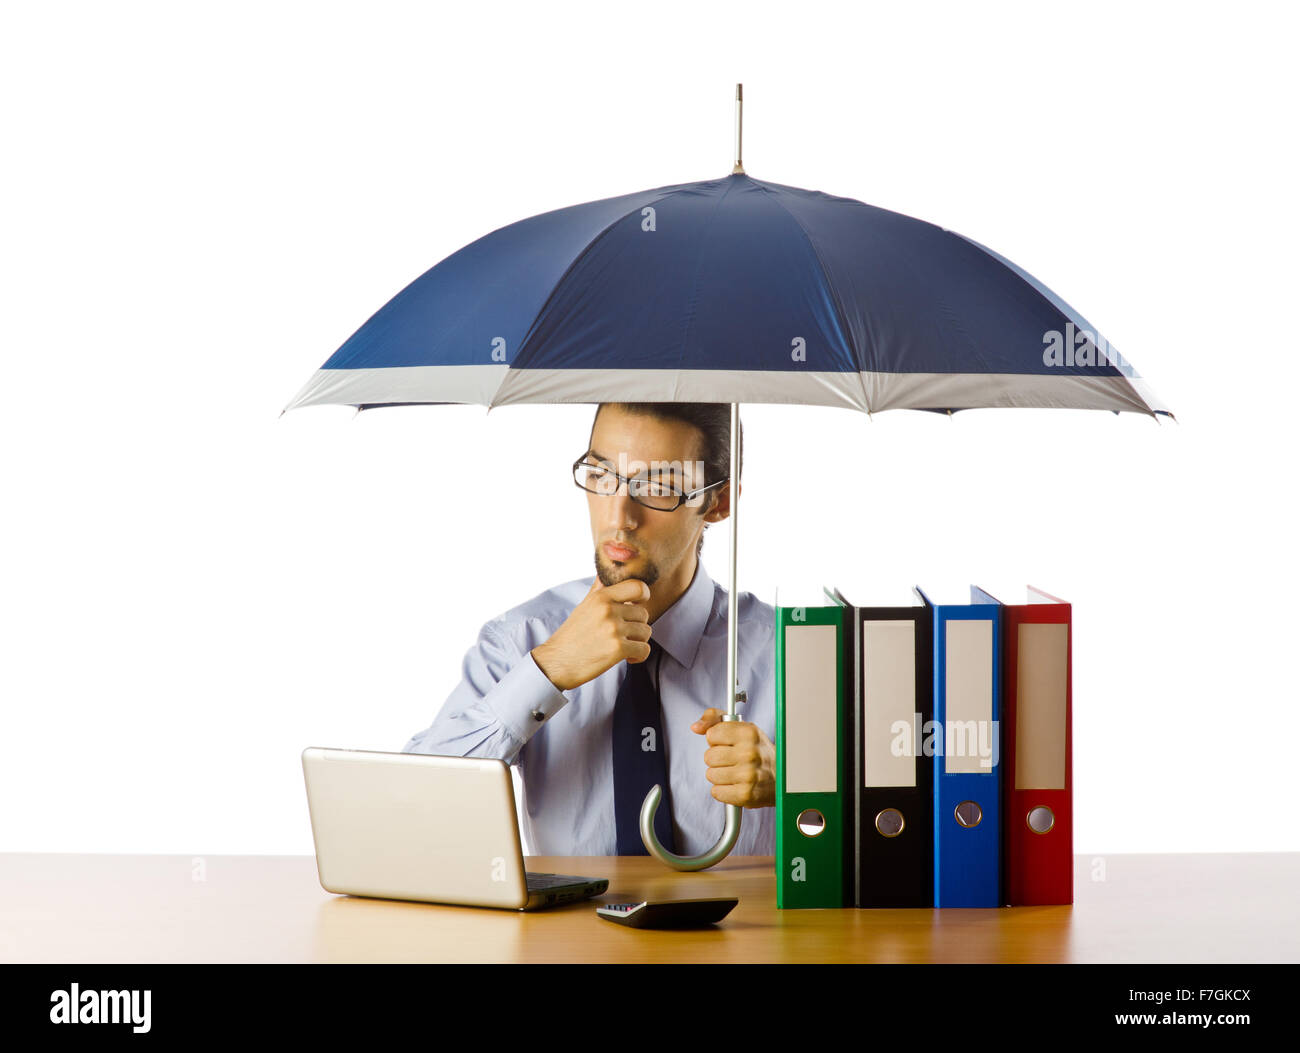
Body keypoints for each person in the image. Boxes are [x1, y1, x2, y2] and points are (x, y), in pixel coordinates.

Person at [403, 401, 776, 857]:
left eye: (658, 486)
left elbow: (876, 844)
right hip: (563, 928)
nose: (619, 517)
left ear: (717, 502)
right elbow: (412, 808)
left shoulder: (788, 655)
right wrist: (547, 671)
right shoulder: (520, 640)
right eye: (602, 476)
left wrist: (796, 784)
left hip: (740, 927)